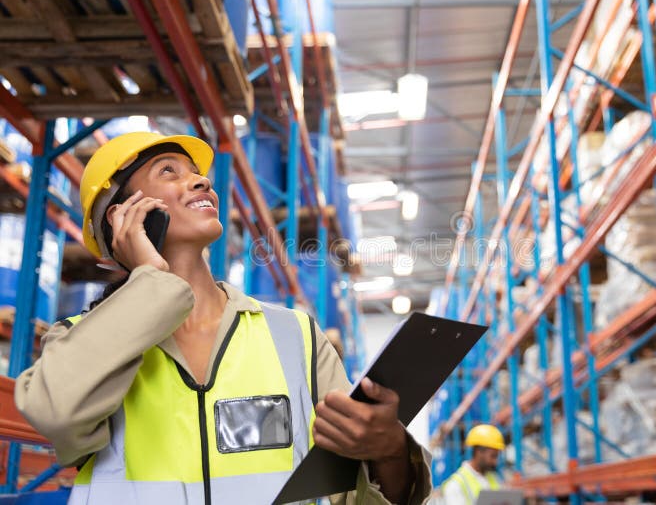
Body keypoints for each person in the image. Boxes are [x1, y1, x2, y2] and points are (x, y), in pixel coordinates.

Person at [14, 132, 431, 505]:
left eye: (197, 173)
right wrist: (150, 283)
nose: (201, 181)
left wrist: (391, 451)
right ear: (123, 215)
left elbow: (355, 496)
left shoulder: (293, 335)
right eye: (168, 171)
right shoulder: (82, 339)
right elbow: (53, 415)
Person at [440, 424, 505, 504]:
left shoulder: (494, 479)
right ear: (479, 452)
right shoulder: (455, 485)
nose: (495, 462)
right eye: (493, 456)